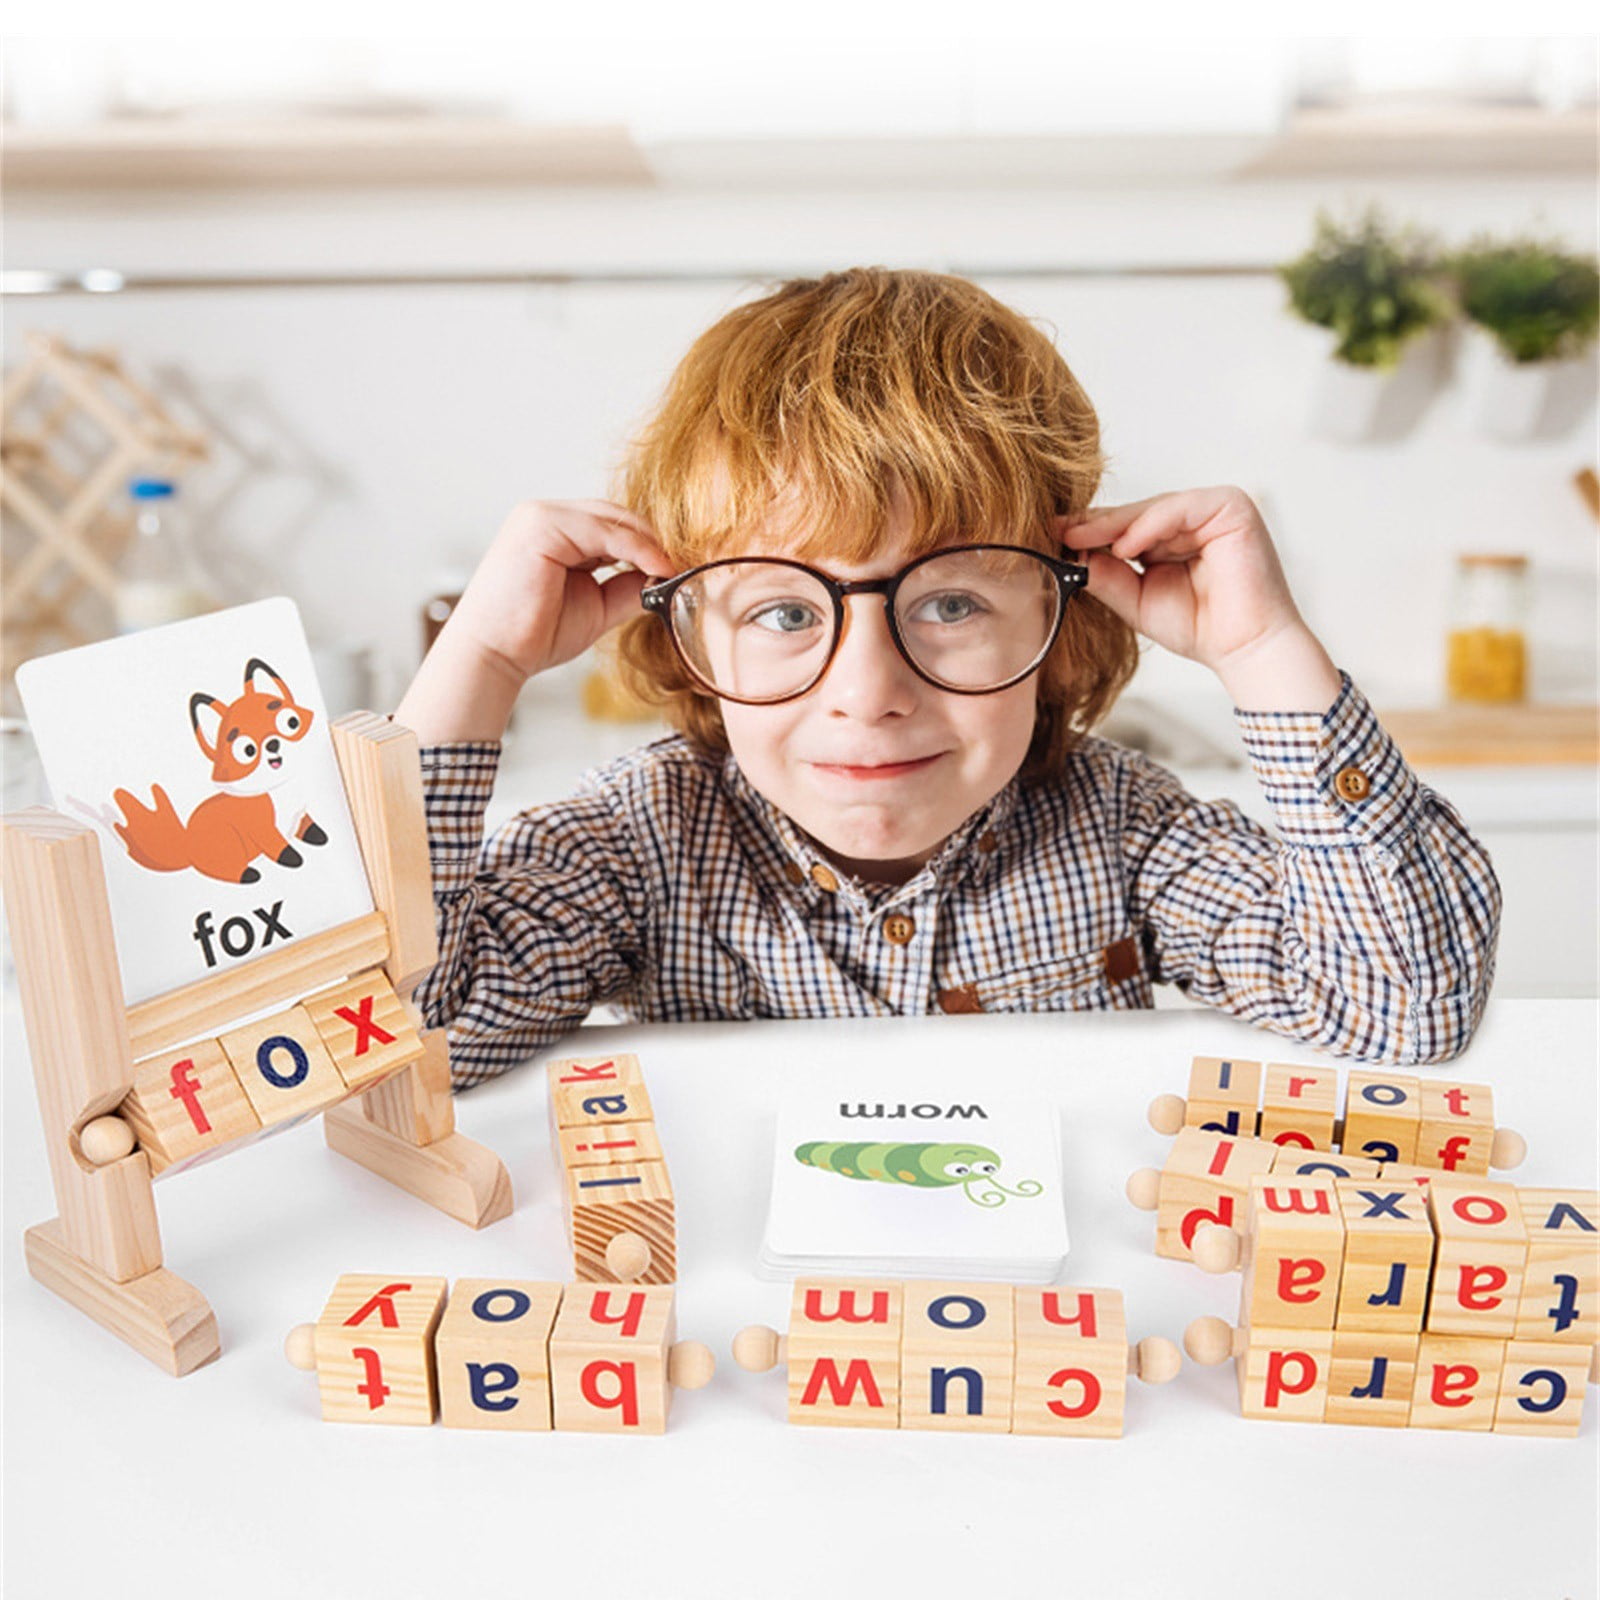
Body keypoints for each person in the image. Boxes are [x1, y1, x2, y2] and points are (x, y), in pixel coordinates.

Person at [396, 267, 1499, 1089]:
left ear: (1063, 614)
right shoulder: (637, 843)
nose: (868, 690)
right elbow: (405, 1041)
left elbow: (1403, 1008)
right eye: (784, 610)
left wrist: (1264, 656)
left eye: (951, 602)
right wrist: (480, 664)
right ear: (691, 633)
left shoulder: (1124, 834)